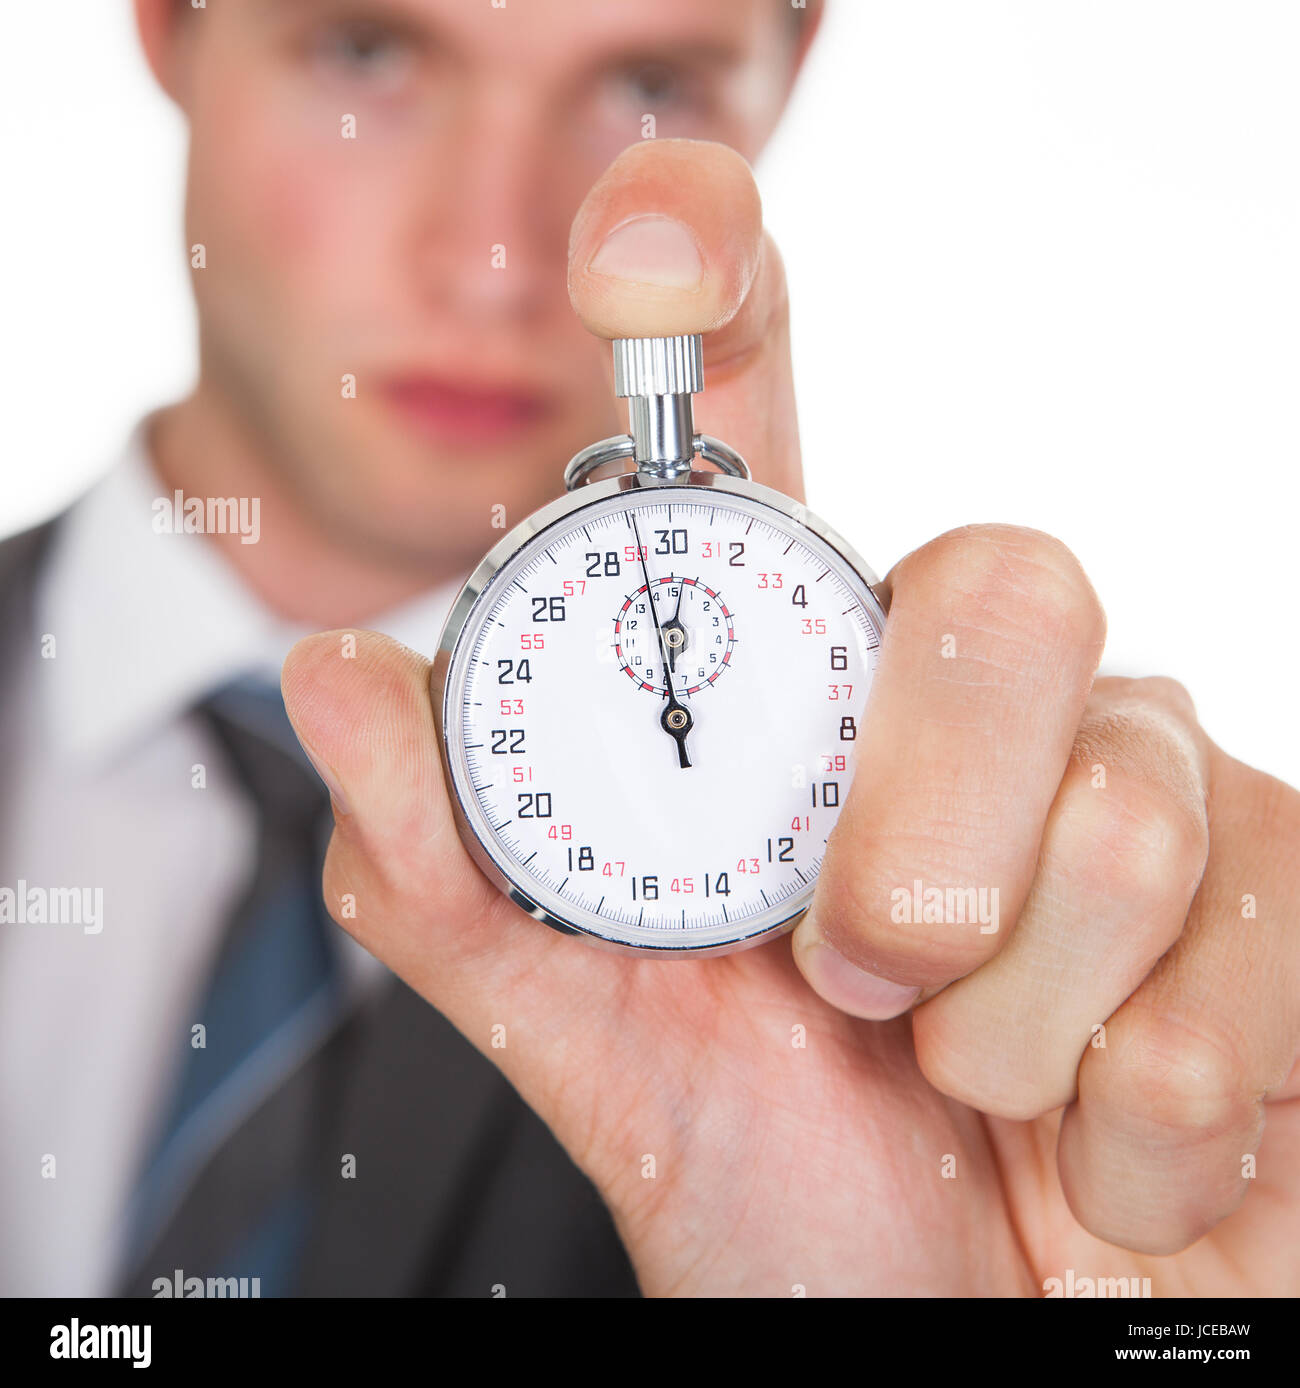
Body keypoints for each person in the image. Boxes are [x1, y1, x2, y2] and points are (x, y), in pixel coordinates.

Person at [2, 0, 1296, 1299]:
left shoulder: (885, 945)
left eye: (648, 80)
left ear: (790, 75)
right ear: (170, 27)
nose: (495, 256)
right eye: (368, 53)